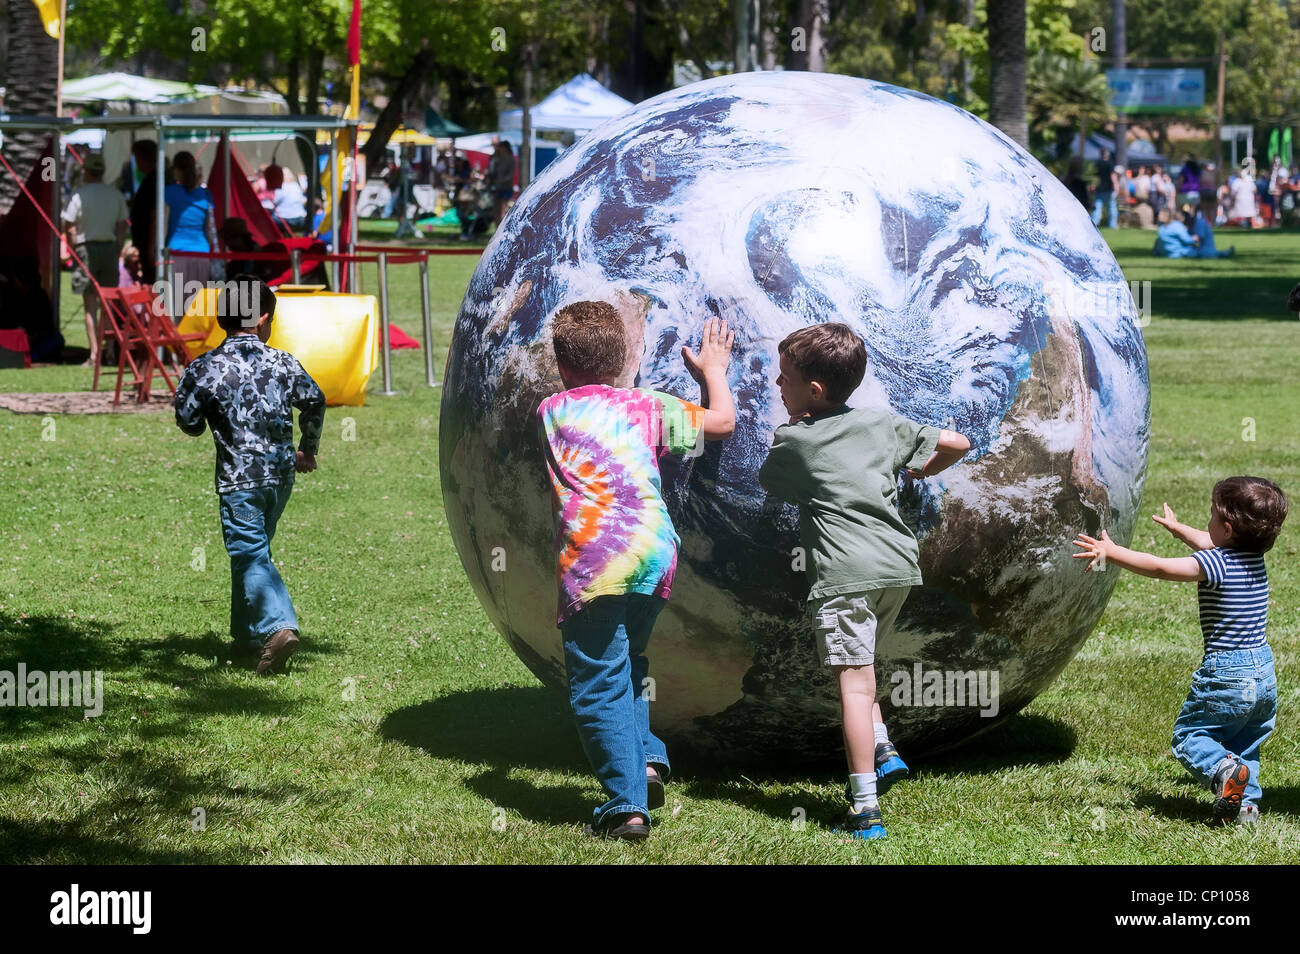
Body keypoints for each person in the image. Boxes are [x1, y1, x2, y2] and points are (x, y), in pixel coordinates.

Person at [757, 323, 970, 840]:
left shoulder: (796, 442)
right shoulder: (882, 425)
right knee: (866, 670)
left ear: (813, 391)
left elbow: (770, 481)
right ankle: (883, 747)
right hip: (896, 568)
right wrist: (923, 469)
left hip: (844, 576)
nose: (775, 386)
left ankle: (864, 807)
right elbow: (958, 442)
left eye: (783, 379)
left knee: (852, 685)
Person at [537, 301, 736, 841]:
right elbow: (722, 424)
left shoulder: (551, 411)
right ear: (626, 359)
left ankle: (625, 806)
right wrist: (713, 372)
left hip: (595, 562)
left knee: (597, 682)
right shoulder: (646, 407)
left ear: (562, 367)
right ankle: (646, 762)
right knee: (629, 660)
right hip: (654, 552)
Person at [1073, 478, 1288, 825]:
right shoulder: (1253, 556)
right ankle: (1245, 808)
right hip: (1263, 672)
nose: (1207, 525)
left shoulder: (1215, 565)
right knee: (1246, 741)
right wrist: (1178, 529)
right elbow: (1208, 541)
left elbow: (1161, 567)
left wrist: (1112, 553)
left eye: (1212, 518)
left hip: (1227, 672)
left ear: (1229, 529)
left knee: (1190, 737)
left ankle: (1223, 771)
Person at [174, 277, 325, 676]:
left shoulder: (204, 367)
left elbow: (187, 422)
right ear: (261, 319)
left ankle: (278, 627)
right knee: (253, 554)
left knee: (250, 554)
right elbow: (315, 399)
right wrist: (307, 448)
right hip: (280, 478)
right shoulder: (284, 361)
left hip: (239, 482)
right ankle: (246, 638)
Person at [61, 151, 129, 368]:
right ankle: (109, 353)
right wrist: (117, 249)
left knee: (90, 305)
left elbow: (70, 226)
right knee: (108, 304)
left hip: (86, 248)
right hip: (109, 248)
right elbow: (122, 226)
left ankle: (94, 355)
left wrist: (72, 251)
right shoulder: (114, 194)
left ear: (85, 170)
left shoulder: (79, 194)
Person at [164, 151, 216, 311]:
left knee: (175, 305)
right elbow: (210, 228)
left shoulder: (169, 191)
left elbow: (164, 224)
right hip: (202, 253)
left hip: (176, 254)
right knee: (199, 306)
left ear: (177, 170)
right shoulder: (205, 195)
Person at [128, 140, 160, 284]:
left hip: (150, 245)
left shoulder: (154, 181)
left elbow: (155, 216)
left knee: (152, 284)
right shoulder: (151, 179)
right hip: (146, 243)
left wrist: (151, 248)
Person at [488, 141, 516, 228]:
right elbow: (492, 171)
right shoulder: (497, 159)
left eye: (502, 147)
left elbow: (510, 176)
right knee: (496, 210)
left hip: (506, 187)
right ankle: (497, 228)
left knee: (503, 209)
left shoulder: (511, 159)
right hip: (497, 187)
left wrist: (500, 181)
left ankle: (502, 228)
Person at [1092, 148, 1118, 229]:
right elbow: (1112, 176)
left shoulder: (1097, 164)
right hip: (1108, 189)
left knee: (1097, 209)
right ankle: (1112, 225)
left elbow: (1094, 177)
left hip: (1099, 189)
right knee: (1112, 208)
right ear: (1108, 154)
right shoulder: (1110, 164)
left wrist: (1092, 186)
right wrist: (1116, 186)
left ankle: (1093, 224)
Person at [1228, 159, 1257, 227]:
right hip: (1248, 200)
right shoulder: (1249, 180)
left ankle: (1243, 224)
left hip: (1241, 200)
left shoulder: (1237, 181)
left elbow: (1233, 192)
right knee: (1247, 214)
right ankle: (1245, 224)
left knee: (1242, 214)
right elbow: (1255, 190)